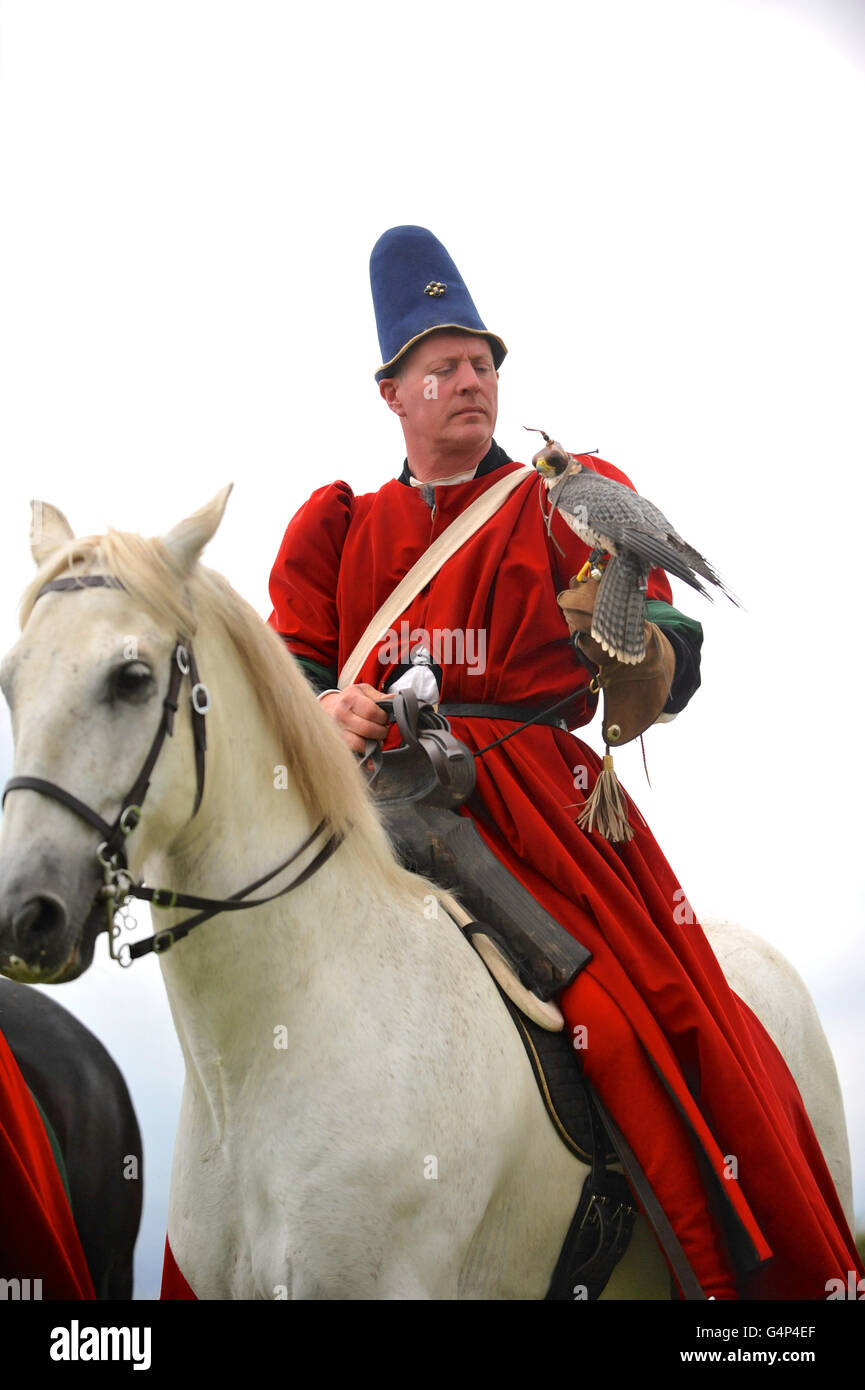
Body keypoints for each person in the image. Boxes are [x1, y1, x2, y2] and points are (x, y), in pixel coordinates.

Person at [267, 225, 861, 1299]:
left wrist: (631, 652)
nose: (469, 382)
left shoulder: (565, 497)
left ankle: (729, 1281)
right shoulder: (336, 528)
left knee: (642, 1027)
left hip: (538, 807)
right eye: (441, 366)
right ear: (391, 393)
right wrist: (327, 703)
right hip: (366, 809)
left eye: (483, 363)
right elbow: (289, 678)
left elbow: (674, 657)